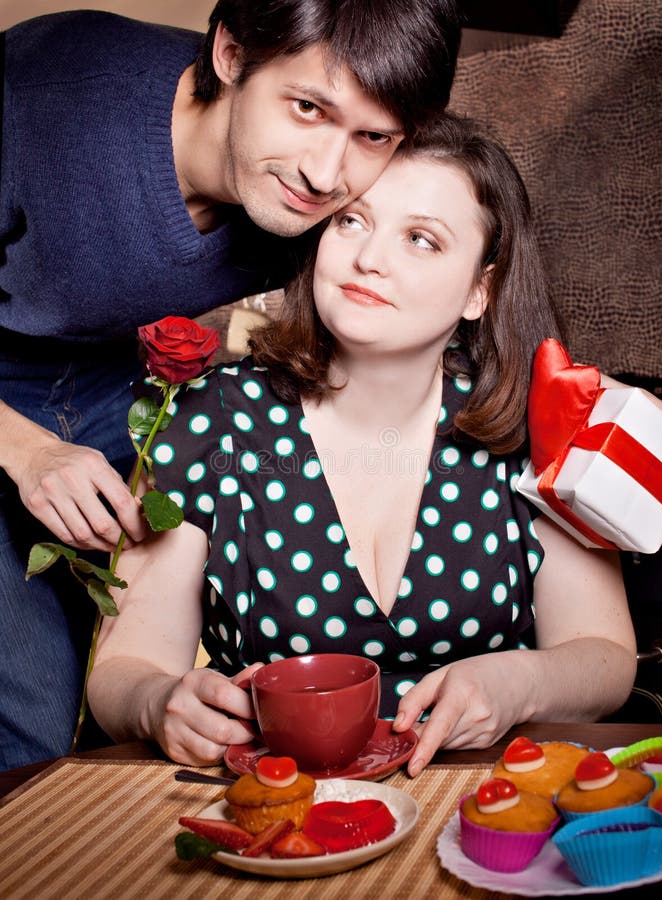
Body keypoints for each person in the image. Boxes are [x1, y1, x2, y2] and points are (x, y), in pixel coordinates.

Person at [87, 113, 637, 776]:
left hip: (483, 795)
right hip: (277, 801)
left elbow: (603, 654)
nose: (368, 257)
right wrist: (158, 703)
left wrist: (520, 681)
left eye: (421, 240)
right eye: (352, 221)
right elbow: (125, 667)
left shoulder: (533, 423)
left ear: (478, 290)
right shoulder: (212, 420)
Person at [0, 0, 461, 769]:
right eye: (307, 108)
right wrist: (26, 450)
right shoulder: (41, 97)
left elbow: (455, 249)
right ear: (230, 53)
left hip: (113, 380)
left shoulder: (341, 190)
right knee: (32, 724)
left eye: (372, 135)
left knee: (116, 679)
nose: (325, 175)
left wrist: (599, 411)